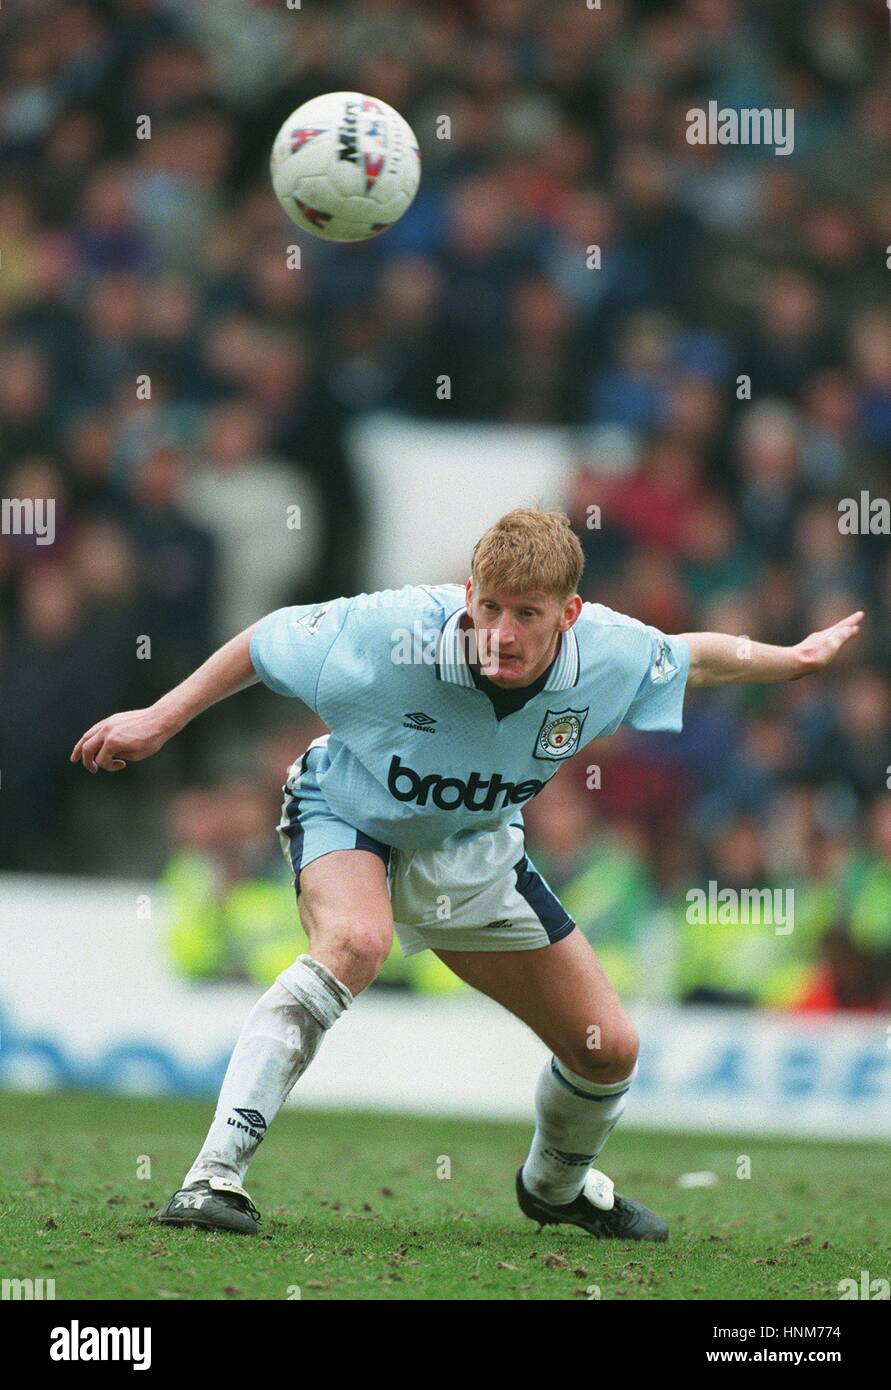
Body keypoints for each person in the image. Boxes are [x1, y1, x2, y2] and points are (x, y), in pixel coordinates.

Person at [70, 507, 863, 1240]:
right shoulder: (388, 633)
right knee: (354, 942)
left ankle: (553, 1185)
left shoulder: (610, 652)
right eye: (488, 608)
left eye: (526, 614)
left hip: (473, 848)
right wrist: (160, 716)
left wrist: (788, 660)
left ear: (568, 614)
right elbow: (266, 640)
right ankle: (212, 1178)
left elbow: (691, 657)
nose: (501, 633)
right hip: (351, 811)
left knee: (607, 1050)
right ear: (467, 596)